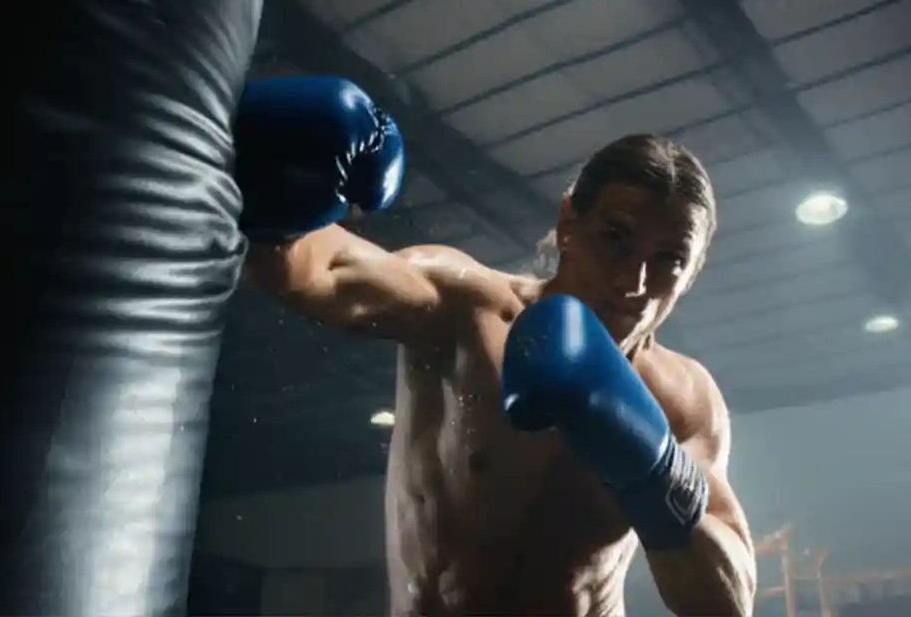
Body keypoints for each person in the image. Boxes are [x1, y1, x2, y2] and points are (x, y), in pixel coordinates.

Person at [237, 76, 757, 616]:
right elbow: (313, 271)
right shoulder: (464, 308)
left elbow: (729, 602)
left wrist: (655, 468)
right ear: (567, 223)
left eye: (670, 258)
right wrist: (269, 188)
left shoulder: (684, 400)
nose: (634, 281)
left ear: (693, 272)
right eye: (616, 238)